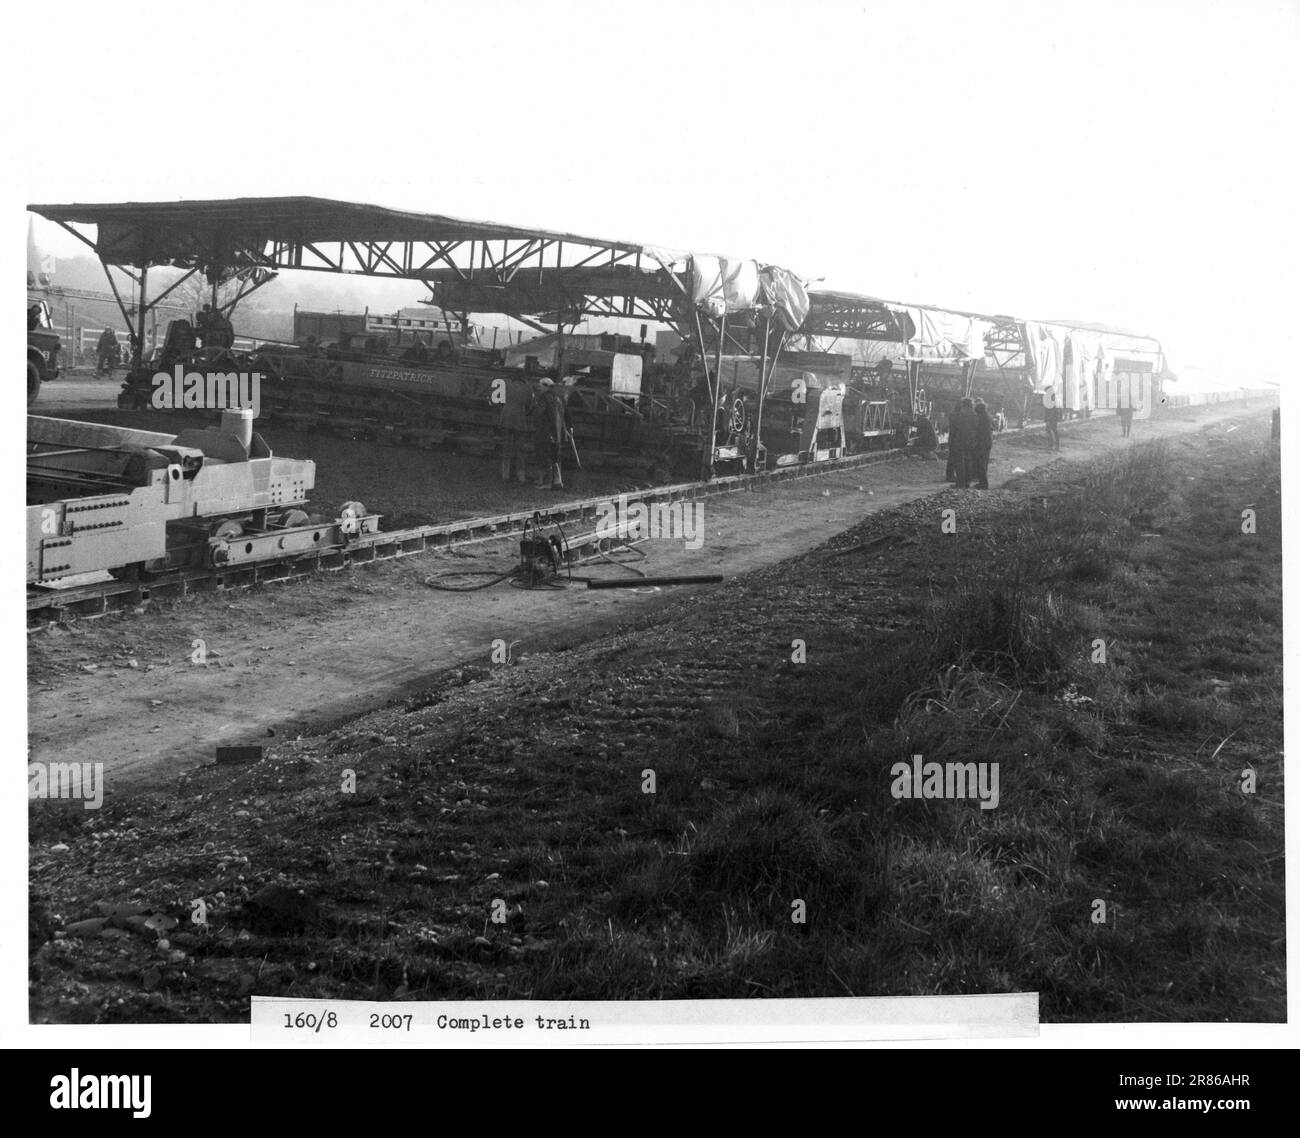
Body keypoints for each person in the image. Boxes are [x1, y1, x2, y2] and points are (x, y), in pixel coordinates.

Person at [530, 374, 572, 490]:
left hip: (546, 433)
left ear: (545, 386)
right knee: (555, 458)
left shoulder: (544, 398)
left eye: (540, 385)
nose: (539, 387)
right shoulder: (559, 398)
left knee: (545, 457)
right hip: (557, 434)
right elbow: (566, 415)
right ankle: (558, 481)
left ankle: (546, 483)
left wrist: (534, 405)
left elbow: (538, 414)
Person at [498, 374, 531, 483]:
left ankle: (505, 474)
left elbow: (499, 400)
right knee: (520, 450)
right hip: (520, 420)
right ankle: (521, 476)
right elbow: (529, 404)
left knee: (506, 448)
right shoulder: (527, 388)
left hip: (506, 418)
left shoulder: (507, 385)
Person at [948, 398, 978, 488]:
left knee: (959, 463)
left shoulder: (961, 414)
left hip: (960, 441)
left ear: (963, 405)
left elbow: (955, 428)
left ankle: (960, 484)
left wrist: (952, 440)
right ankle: (967, 483)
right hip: (970, 441)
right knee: (968, 462)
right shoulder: (974, 414)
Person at [972, 401, 993, 489]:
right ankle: (982, 482)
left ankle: (983, 483)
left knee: (981, 463)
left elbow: (976, 429)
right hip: (987, 442)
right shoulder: (987, 416)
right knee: (983, 463)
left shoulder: (981, 418)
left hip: (982, 443)